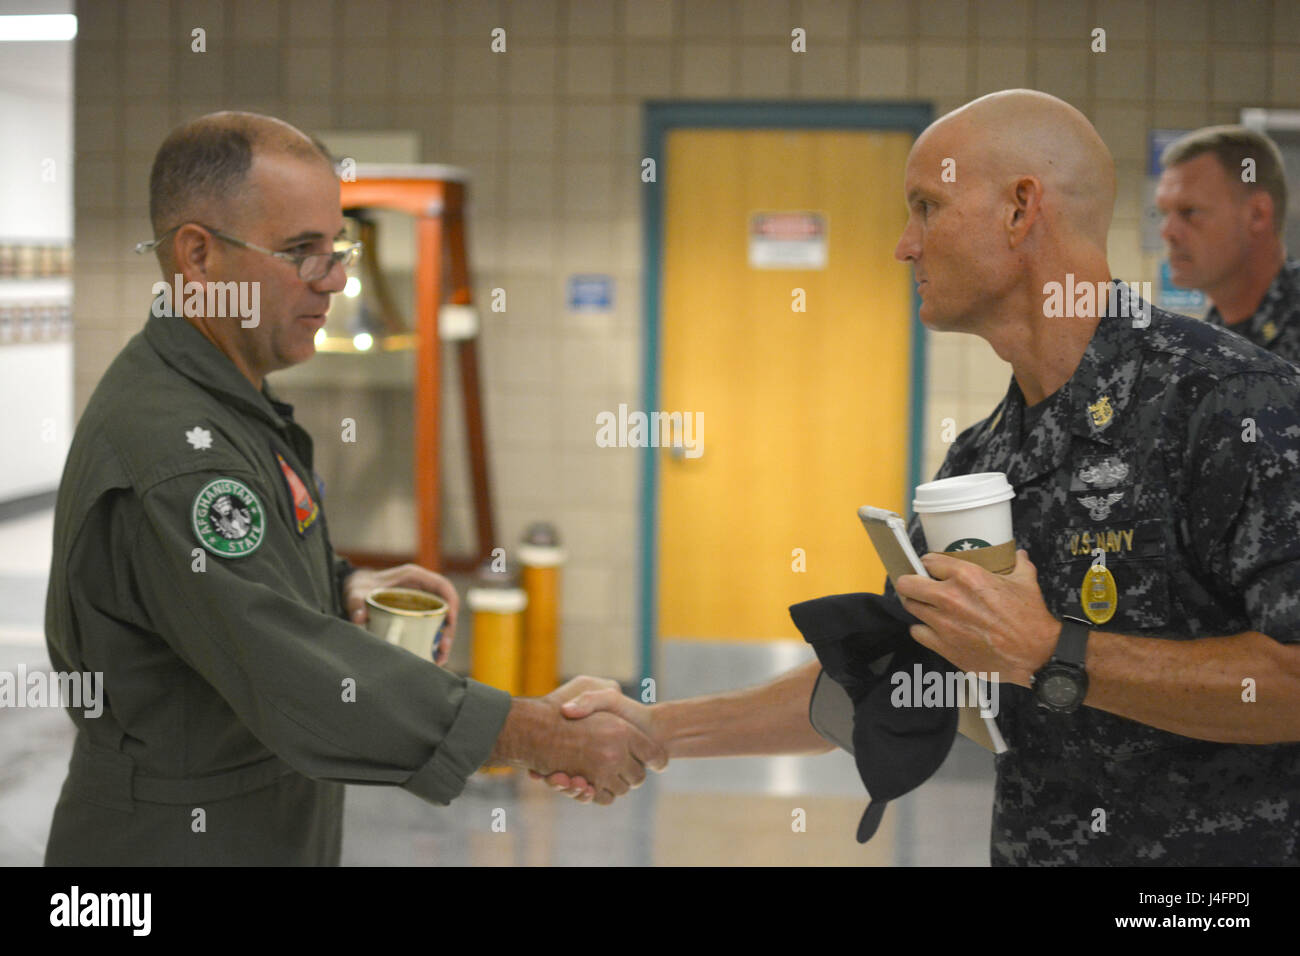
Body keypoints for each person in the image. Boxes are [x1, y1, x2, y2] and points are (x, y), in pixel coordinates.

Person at [543, 90, 1300, 866]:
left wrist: (1051, 652)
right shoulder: (985, 459)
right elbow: (884, 672)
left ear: (1020, 209)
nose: (904, 246)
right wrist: (654, 729)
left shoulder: (1228, 404)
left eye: (926, 207)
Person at [43, 112, 665, 866]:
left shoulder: (225, 401)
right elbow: (293, 679)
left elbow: (233, 598)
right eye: (301, 252)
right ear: (199, 257)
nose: (335, 279)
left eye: (335, 249)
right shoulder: (177, 449)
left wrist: (341, 589)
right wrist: (533, 731)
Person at [1155, 125, 1299, 364]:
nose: (1167, 232)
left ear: (1257, 215)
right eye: (1163, 213)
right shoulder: (1208, 339)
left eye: (1189, 212)